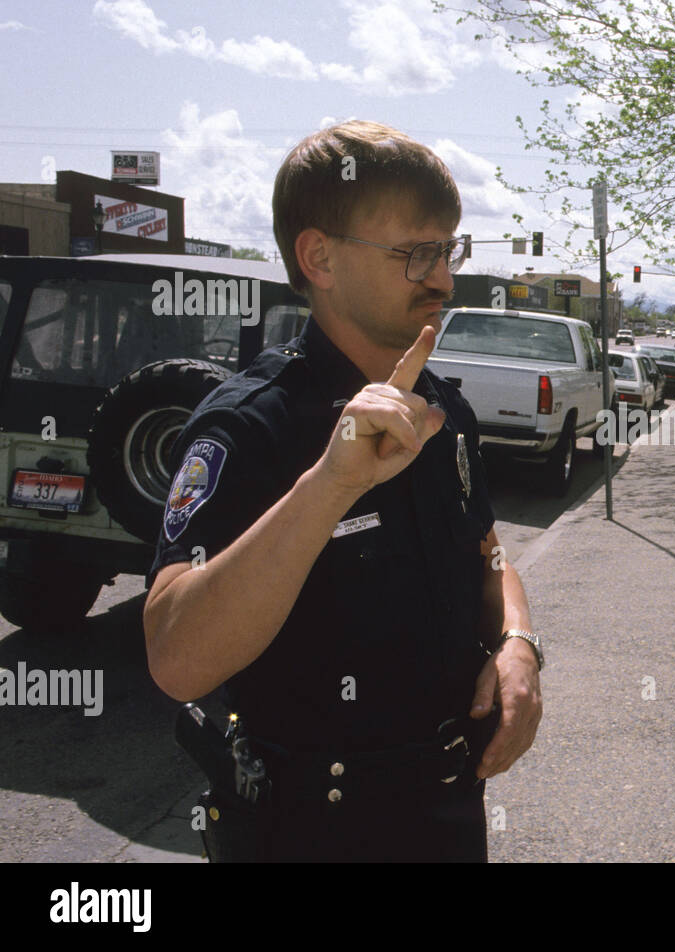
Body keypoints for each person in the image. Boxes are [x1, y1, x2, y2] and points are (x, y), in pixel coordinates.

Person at [142, 121, 543, 862]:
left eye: (447, 250)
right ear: (318, 256)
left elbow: (487, 551)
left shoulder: (441, 408)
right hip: (304, 831)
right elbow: (175, 657)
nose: (444, 279)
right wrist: (329, 487)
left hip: (448, 812)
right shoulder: (249, 424)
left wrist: (518, 643)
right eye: (415, 253)